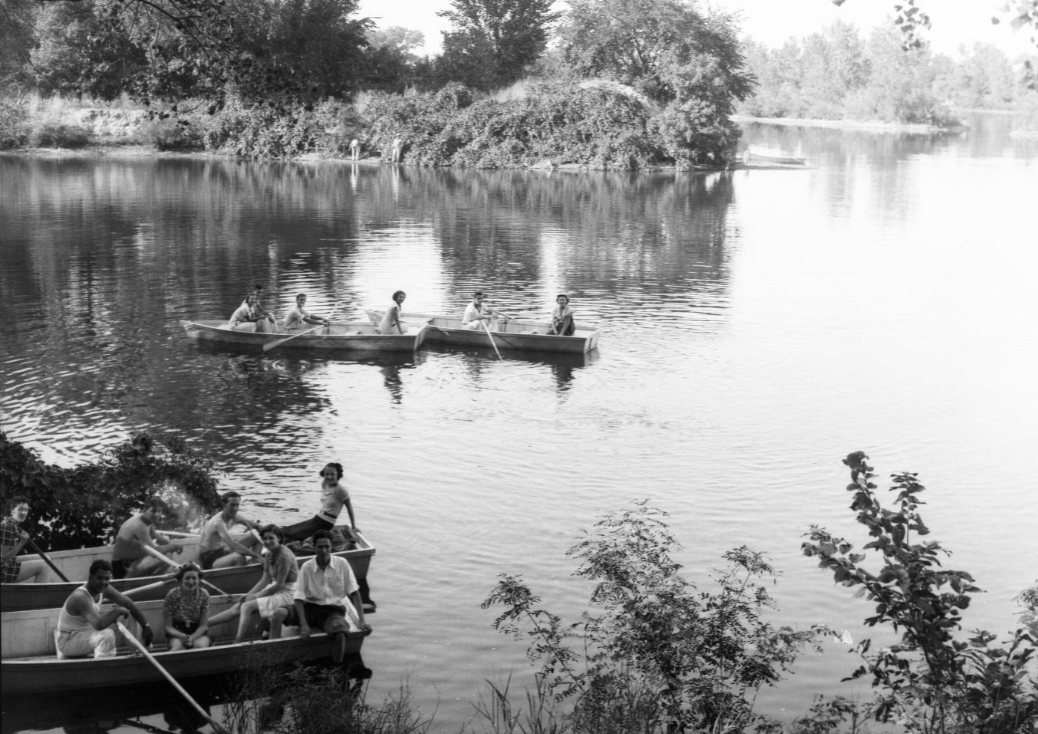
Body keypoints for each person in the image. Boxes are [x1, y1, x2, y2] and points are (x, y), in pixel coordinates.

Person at [272, 530, 369, 664]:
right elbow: (299, 597)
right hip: (310, 609)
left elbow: (354, 593)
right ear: (314, 547)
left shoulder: (342, 564)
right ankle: (274, 660)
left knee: (340, 634)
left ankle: (337, 671)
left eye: (327, 546)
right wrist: (303, 624)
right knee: (278, 614)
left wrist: (362, 621)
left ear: (331, 547)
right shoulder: (307, 567)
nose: (323, 550)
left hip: (333, 611)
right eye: (320, 547)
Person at [208, 524, 298, 643]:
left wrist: (254, 597)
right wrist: (247, 595)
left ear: (279, 538)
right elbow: (265, 580)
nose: (267, 541)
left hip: (288, 593)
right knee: (239, 606)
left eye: (271, 538)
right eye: (265, 539)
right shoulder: (270, 554)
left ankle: (237, 642)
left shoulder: (283, 556)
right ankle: (204, 625)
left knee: (246, 607)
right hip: (275, 588)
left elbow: (279, 585)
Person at [56, 559, 154, 659]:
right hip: (68, 640)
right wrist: (116, 611)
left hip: (85, 632)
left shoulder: (104, 588)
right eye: (100, 578)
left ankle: (139, 654)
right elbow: (99, 624)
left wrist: (145, 626)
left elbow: (127, 603)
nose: (103, 582)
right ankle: (103, 668)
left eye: (107, 579)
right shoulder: (81, 597)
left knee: (128, 615)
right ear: (90, 577)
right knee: (107, 636)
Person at [111, 498, 184, 579]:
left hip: (132, 562)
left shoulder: (147, 521)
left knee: (168, 555)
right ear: (145, 510)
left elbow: (157, 537)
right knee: (166, 556)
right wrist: (173, 546)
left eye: (159, 511)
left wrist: (170, 544)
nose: (157, 514)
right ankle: (129, 582)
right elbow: (154, 551)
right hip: (121, 566)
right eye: (153, 511)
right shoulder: (139, 525)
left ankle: (149, 581)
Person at [283, 463, 357, 542]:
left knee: (297, 534)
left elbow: (350, 509)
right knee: (289, 529)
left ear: (338, 475)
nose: (329, 477)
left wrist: (353, 527)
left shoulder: (341, 490)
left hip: (326, 523)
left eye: (332, 474)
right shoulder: (325, 484)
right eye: (327, 474)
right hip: (318, 518)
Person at [197, 492, 265, 569]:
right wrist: (257, 555)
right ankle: (248, 572)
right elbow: (233, 545)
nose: (235, 508)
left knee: (256, 537)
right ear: (224, 505)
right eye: (232, 505)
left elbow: (257, 526)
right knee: (238, 557)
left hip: (221, 552)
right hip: (209, 559)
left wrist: (278, 540)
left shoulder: (234, 517)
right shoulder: (218, 523)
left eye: (237, 505)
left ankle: (255, 564)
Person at [162, 562, 212, 651]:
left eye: (194, 578)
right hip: (177, 632)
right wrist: (182, 636)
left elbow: (203, 626)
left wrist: (192, 638)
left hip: (198, 633)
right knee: (178, 648)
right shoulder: (172, 595)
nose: (191, 582)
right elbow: (168, 627)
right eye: (187, 578)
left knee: (198, 647)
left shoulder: (204, 594)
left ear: (199, 580)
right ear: (181, 579)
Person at [1, 495, 51, 584]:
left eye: (26, 510)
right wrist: (21, 543)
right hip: (3, 571)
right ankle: (39, 597)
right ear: (12, 510)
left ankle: (46, 584)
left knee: (46, 559)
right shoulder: (7, 527)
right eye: (20, 509)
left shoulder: (10, 523)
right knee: (44, 566)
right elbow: (3, 558)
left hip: (9, 562)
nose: (23, 513)